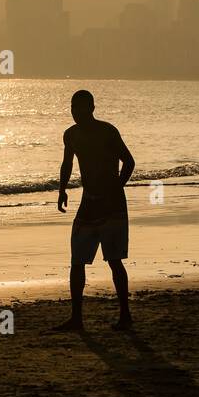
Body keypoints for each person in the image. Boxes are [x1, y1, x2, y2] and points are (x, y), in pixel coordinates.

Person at [50, 90, 134, 332]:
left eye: (81, 107)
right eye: (73, 107)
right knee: (77, 259)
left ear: (92, 108)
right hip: (88, 202)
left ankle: (125, 315)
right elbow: (67, 163)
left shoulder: (107, 132)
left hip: (112, 205)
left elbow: (129, 162)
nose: (76, 112)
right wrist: (62, 190)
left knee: (114, 260)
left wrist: (116, 188)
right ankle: (76, 318)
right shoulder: (71, 135)